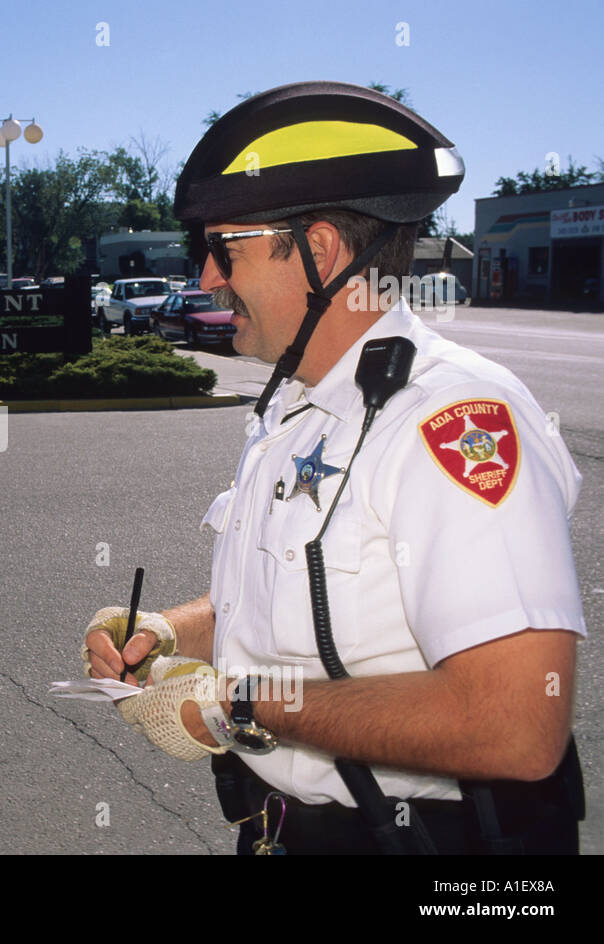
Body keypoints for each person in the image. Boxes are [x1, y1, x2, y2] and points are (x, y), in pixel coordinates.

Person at [84, 82, 586, 854]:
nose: (209, 278)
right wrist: (164, 633)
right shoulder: (293, 406)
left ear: (318, 252)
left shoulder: (453, 419)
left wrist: (239, 706)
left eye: (225, 248)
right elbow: (285, 608)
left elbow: (514, 724)